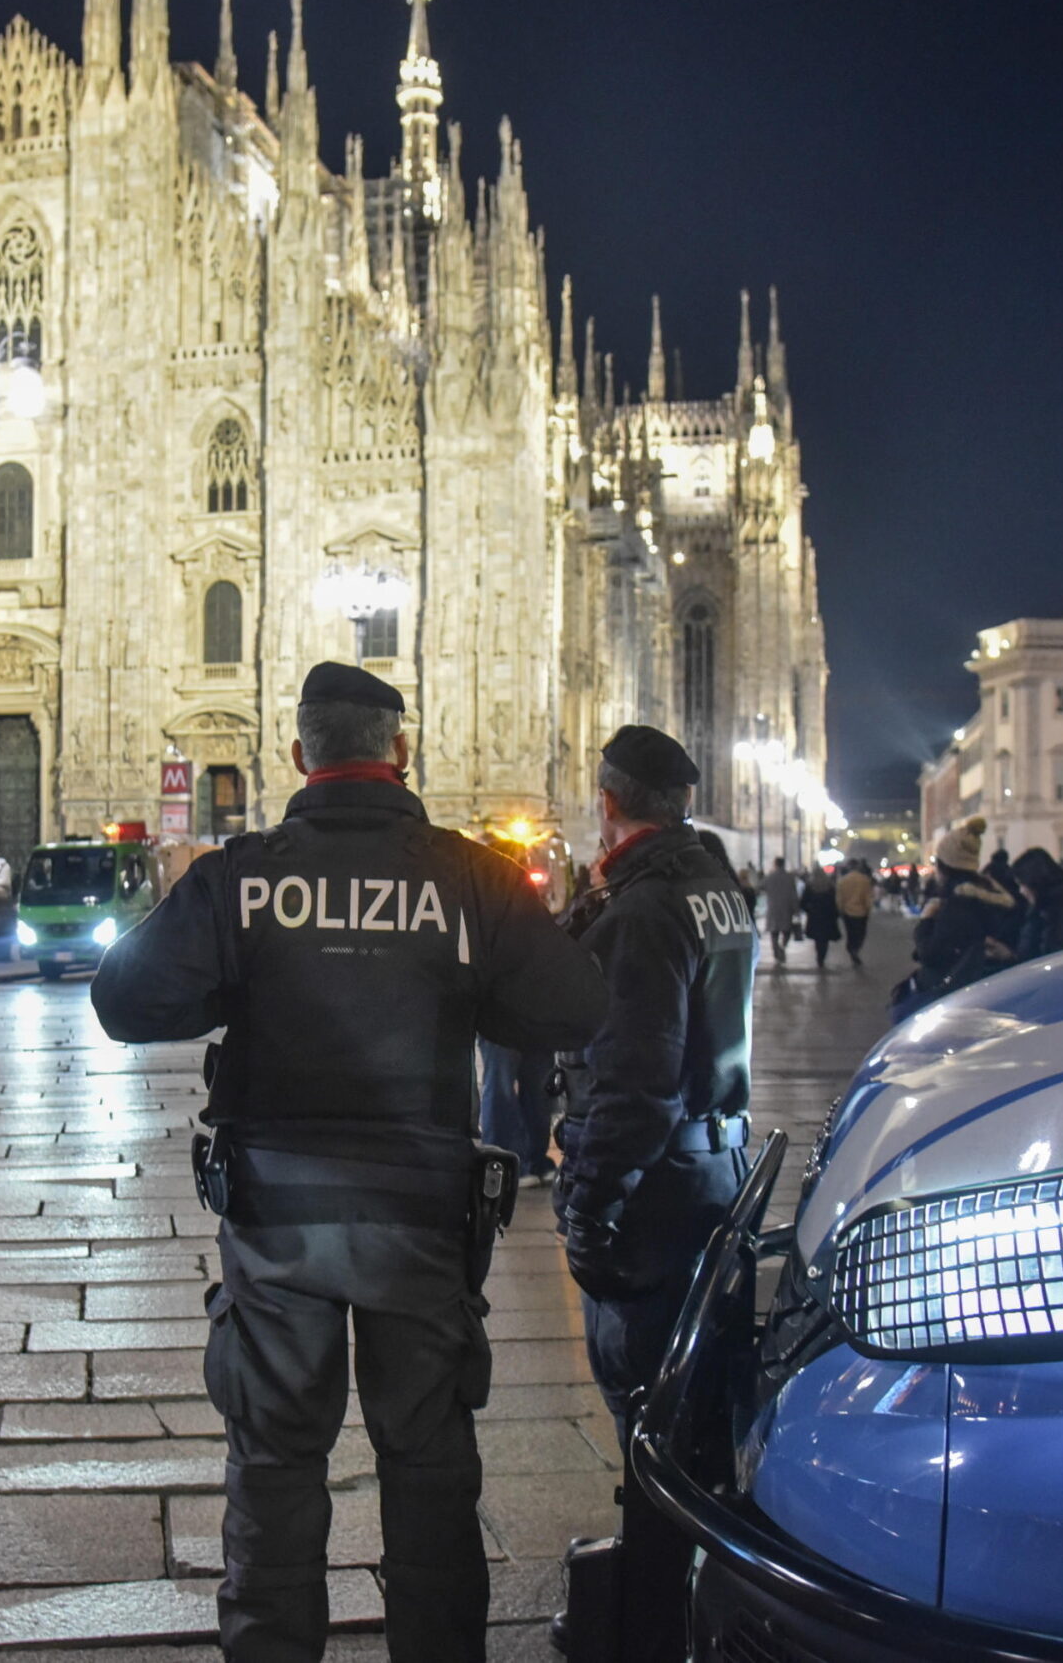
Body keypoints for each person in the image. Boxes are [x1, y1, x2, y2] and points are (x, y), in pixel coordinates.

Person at [90, 661, 608, 1663]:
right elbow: (574, 1008)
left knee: (276, 1464)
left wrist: (236, 975)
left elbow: (126, 1000)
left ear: (297, 755)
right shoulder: (469, 876)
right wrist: (466, 997)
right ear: (400, 751)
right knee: (429, 1467)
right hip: (420, 1219)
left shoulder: (242, 874)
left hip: (277, 1219)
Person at [551, 723, 757, 1663]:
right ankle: (685, 1609)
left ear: (607, 798)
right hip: (714, 1173)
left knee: (647, 1420)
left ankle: (649, 1625)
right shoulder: (717, 888)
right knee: (696, 1417)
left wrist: (590, 1203)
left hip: (657, 1191)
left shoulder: (642, 911)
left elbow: (633, 1078)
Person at [896, 817, 1015, 1021]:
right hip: (990, 990)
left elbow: (930, 953)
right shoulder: (993, 894)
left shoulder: (958, 903)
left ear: (945, 867)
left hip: (956, 998)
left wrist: (925, 921)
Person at [478, 1040, 556, 1184]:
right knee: (501, 1086)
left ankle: (535, 1161)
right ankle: (502, 1164)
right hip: (500, 1024)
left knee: (539, 1089)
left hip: (541, 1023)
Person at [1010, 848, 1063, 959]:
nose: (1021, 891)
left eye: (1023, 884)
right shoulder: (1043, 908)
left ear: (1036, 881)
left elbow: (1062, 958)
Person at [835, 857, 878, 968]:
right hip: (861, 911)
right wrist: (868, 909)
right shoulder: (864, 880)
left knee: (850, 932)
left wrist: (840, 909)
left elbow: (840, 898)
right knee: (861, 933)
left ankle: (851, 948)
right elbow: (868, 897)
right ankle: (856, 949)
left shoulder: (843, 881)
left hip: (847, 911)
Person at [797, 864, 841, 969]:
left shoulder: (810, 886)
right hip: (828, 916)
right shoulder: (830, 886)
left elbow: (803, 902)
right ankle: (822, 956)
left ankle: (819, 957)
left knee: (818, 938)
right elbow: (835, 902)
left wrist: (809, 910)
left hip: (815, 916)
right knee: (825, 939)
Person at [759, 856, 800, 968]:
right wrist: (796, 909)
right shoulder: (790, 877)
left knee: (774, 931)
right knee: (787, 930)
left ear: (775, 864)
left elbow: (760, 886)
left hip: (773, 908)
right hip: (787, 908)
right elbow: (794, 894)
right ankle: (783, 946)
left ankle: (776, 951)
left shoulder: (770, 877)